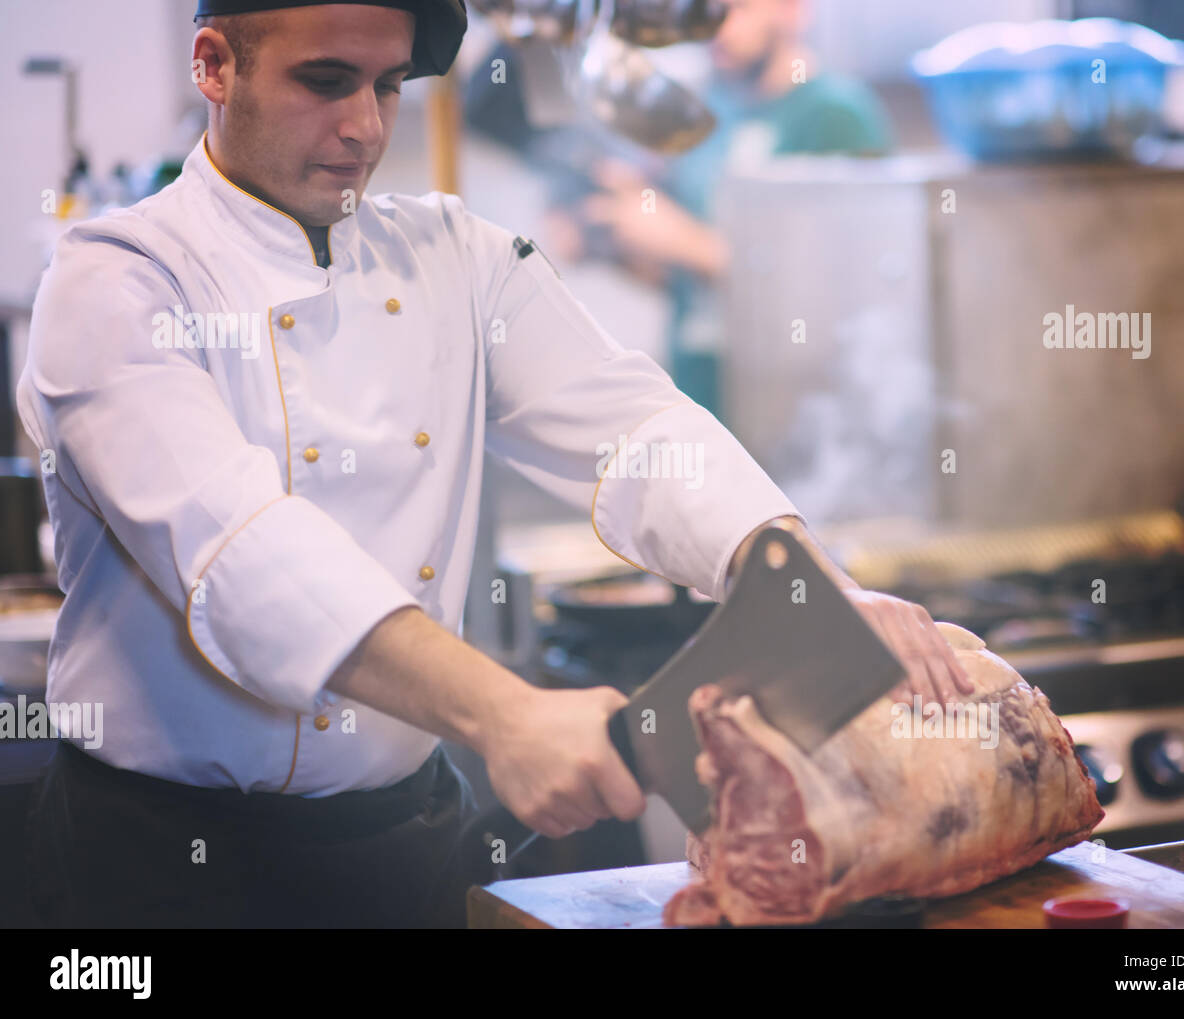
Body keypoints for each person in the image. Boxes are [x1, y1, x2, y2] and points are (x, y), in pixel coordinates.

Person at [17, 0, 968, 929]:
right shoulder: (116, 280)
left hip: (402, 849)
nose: (364, 126)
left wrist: (802, 578)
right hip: (160, 867)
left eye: (388, 85)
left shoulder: (456, 258)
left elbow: (635, 432)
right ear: (215, 65)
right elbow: (237, 547)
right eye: (326, 81)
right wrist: (502, 715)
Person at [574, 0, 893, 418]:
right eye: (702, 11)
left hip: (795, 409)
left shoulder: (834, 113)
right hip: (702, 394)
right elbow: (688, 280)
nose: (713, 26)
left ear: (792, 9)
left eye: (736, 9)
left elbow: (844, 291)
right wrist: (619, 238)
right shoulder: (705, 112)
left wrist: (683, 240)